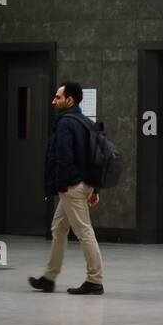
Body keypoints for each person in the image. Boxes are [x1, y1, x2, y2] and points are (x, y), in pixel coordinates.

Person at [29, 81, 104, 295]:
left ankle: (95, 280)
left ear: (69, 100)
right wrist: (95, 190)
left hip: (71, 186)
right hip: (84, 184)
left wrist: (61, 187)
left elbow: (62, 158)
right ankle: (49, 278)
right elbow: (94, 158)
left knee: (84, 231)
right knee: (59, 227)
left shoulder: (64, 124)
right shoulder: (86, 122)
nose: (54, 101)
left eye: (58, 97)